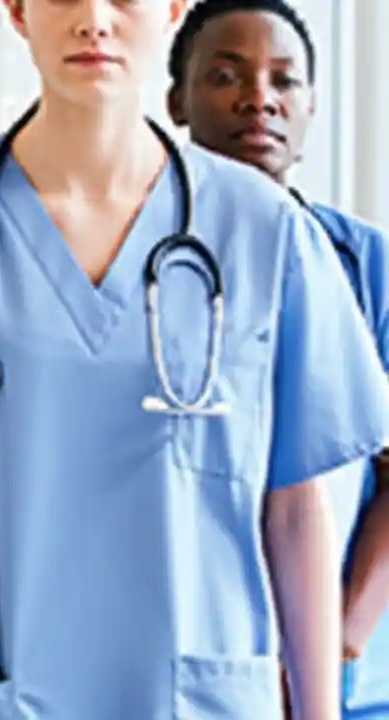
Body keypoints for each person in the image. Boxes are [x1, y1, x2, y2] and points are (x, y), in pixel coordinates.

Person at [0, 0, 389, 717]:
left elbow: (295, 507)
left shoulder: (267, 231)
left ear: (171, 10)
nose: (94, 19)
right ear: (15, 9)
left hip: (201, 699)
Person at [167, 1, 389, 716]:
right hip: (191, 650)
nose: (259, 97)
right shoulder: (147, 263)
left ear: (312, 108)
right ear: (177, 101)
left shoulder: (364, 265)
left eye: (285, 82)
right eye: (225, 76)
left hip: (346, 671)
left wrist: (339, 638)